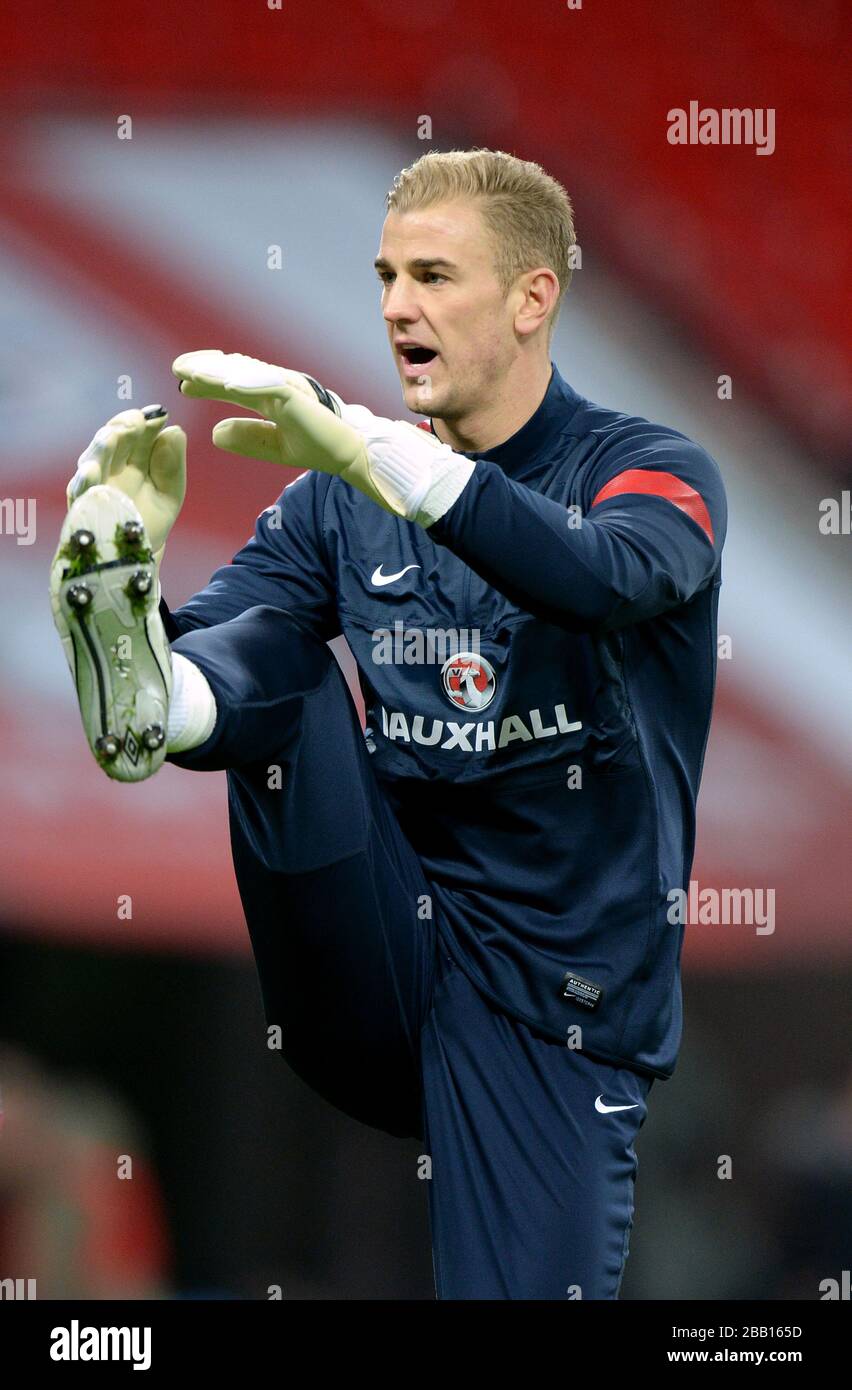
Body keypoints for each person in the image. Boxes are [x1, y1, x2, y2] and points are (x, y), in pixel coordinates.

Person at [50, 148, 727, 1299]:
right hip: (379, 960)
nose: (397, 305)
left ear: (531, 299)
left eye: (434, 274)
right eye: (384, 275)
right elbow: (243, 639)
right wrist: (137, 596)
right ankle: (144, 688)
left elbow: (605, 577)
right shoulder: (335, 498)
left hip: (554, 1018)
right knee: (274, 666)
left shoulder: (650, 469)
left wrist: (399, 468)